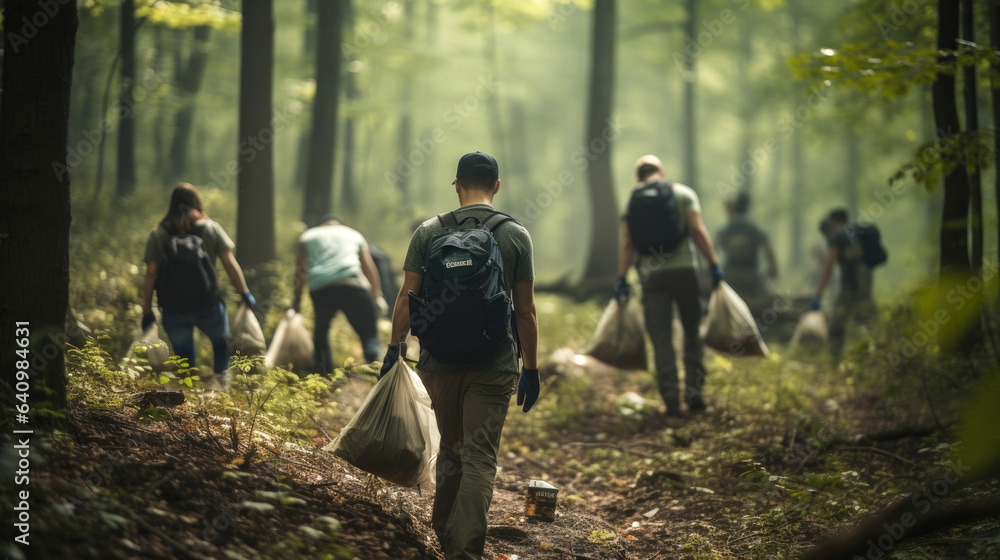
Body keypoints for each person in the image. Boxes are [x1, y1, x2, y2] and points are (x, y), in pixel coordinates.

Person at [381, 151, 539, 560]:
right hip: (495, 363)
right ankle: (462, 550)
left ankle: (442, 531)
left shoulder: (428, 232)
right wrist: (532, 369)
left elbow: (406, 297)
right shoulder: (516, 235)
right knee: (480, 456)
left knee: (451, 448)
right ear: (497, 187)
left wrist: (393, 349)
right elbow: (525, 311)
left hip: (439, 361)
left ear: (457, 185)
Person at [614, 154, 724, 417]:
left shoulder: (634, 199)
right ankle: (695, 397)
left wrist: (621, 278)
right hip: (686, 273)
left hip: (652, 277)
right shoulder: (683, 193)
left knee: (661, 339)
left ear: (639, 177)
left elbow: (628, 243)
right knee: (692, 333)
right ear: (662, 173)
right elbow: (697, 230)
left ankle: (672, 402)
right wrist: (713, 264)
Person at [142, 183, 256, 376]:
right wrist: (245, 292)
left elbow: (151, 274)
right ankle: (220, 390)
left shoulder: (159, 233)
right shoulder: (211, 228)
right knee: (221, 347)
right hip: (208, 305)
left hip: (173, 308)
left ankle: (188, 397)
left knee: (185, 362)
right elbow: (230, 264)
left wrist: (146, 311)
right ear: (197, 202)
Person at [292, 214, 387, 375]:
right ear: (339, 224)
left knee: (321, 331)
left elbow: (301, 271)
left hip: (322, 289)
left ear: (323, 225)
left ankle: (323, 374)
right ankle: (376, 369)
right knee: (368, 333)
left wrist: (297, 298)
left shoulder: (308, 236)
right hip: (353, 286)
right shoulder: (353, 234)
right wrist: (377, 295)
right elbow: (369, 267)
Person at [810, 209, 876, 358]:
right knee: (867, 316)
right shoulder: (853, 232)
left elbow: (829, 267)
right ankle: (879, 353)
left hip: (852, 280)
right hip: (865, 277)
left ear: (832, 223)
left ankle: (835, 360)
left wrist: (818, 295)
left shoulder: (837, 235)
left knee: (836, 322)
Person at [715, 190, 778, 307]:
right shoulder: (754, 229)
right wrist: (773, 271)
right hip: (751, 278)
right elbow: (769, 250)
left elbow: (714, 250)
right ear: (748, 207)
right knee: (765, 302)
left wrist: (713, 271)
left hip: (729, 278)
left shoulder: (726, 230)